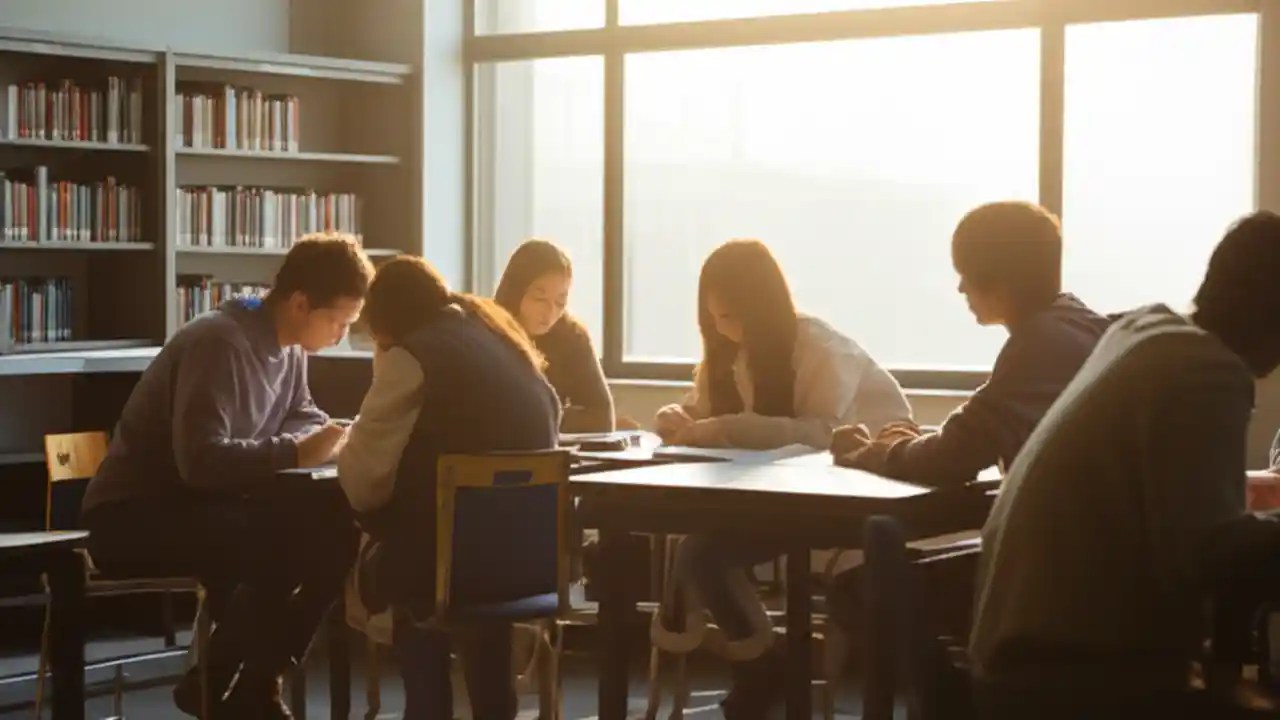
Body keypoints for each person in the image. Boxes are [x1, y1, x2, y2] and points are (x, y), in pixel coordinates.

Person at [970, 211, 1280, 719]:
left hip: (1016, 665)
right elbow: (1207, 557)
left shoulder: (1145, 333)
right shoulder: (1207, 372)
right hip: (1072, 683)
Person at [79, 234, 373, 718]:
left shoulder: (291, 348)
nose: (342, 334)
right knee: (278, 540)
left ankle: (254, 679)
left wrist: (325, 436)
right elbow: (200, 463)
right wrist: (297, 453)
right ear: (301, 303)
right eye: (339, 320)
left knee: (339, 531)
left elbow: (298, 412)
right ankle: (230, 681)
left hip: (209, 508)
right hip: (134, 513)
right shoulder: (220, 342)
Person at [653, 239, 912, 720]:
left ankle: (764, 672)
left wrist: (726, 428)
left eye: (734, 317)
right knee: (699, 551)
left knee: (704, 552)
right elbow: (706, 415)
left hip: (854, 500)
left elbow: (824, 433)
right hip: (779, 501)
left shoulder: (821, 349)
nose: (727, 331)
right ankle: (763, 665)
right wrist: (680, 417)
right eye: (716, 321)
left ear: (763, 304)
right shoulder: (731, 354)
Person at [337, 256, 561, 720]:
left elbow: (363, 483)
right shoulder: (500, 336)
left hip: (449, 567)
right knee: (474, 595)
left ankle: (426, 709)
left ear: (386, 321)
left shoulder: (413, 354)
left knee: (398, 567)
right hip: (531, 559)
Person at [831, 201, 1110, 485]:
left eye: (966, 274)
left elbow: (952, 456)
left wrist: (868, 454)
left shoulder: (1043, 344)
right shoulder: (1084, 325)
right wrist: (908, 444)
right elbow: (972, 433)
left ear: (999, 285)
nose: (961, 288)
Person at [495, 239, 615, 433]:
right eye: (539, 298)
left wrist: (541, 417)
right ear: (515, 291)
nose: (550, 312)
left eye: (560, 302)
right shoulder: (489, 332)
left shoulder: (572, 337)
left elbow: (602, 416)